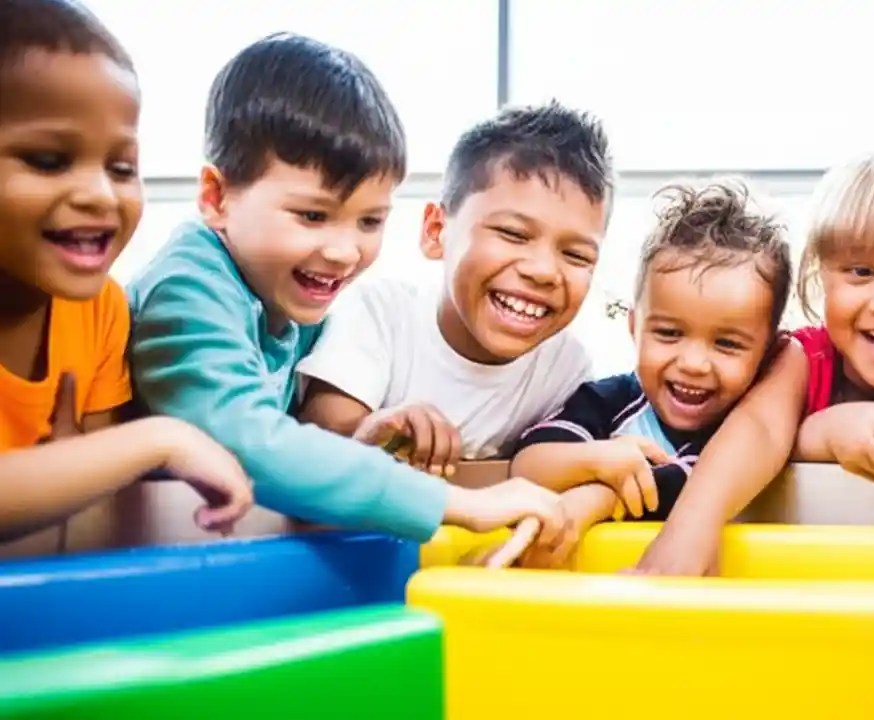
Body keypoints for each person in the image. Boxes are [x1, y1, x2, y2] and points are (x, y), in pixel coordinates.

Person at [127, 33, 566, 547]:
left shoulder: (285, 297)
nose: (344, 251)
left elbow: (285, 446)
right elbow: (253, 444)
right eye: (312, 215)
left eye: (369, 221)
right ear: (216, 197)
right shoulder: (187, 290)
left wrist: (358, 443)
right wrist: (463, 504)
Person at [630, 148, 874, 576]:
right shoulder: (804, 359)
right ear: (819, 273)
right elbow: (760, 429)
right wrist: (687, 536)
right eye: (861, 271)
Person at [0, 0, 252, 542]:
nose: (100, 195)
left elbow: (96, 515)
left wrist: (83, 469)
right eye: (48, 160)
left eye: (121, 168)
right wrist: (155, 440)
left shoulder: (100, 310)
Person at [296, 102, 608, 477]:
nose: (543, 272)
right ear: (436, 231)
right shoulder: (381, 315)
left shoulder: (566, 369)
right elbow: (317, 443)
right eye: (513, 234)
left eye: (576, 255)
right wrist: (377, 432)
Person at [508, 180, 791, 568]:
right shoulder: (611, 401)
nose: (693, 363)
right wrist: (598, 460)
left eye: (727, 344)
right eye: (669, 334)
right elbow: (528, 464)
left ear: (767, 351)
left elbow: (679, 485)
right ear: (633, 327)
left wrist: (593, 497)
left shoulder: (743, 435)